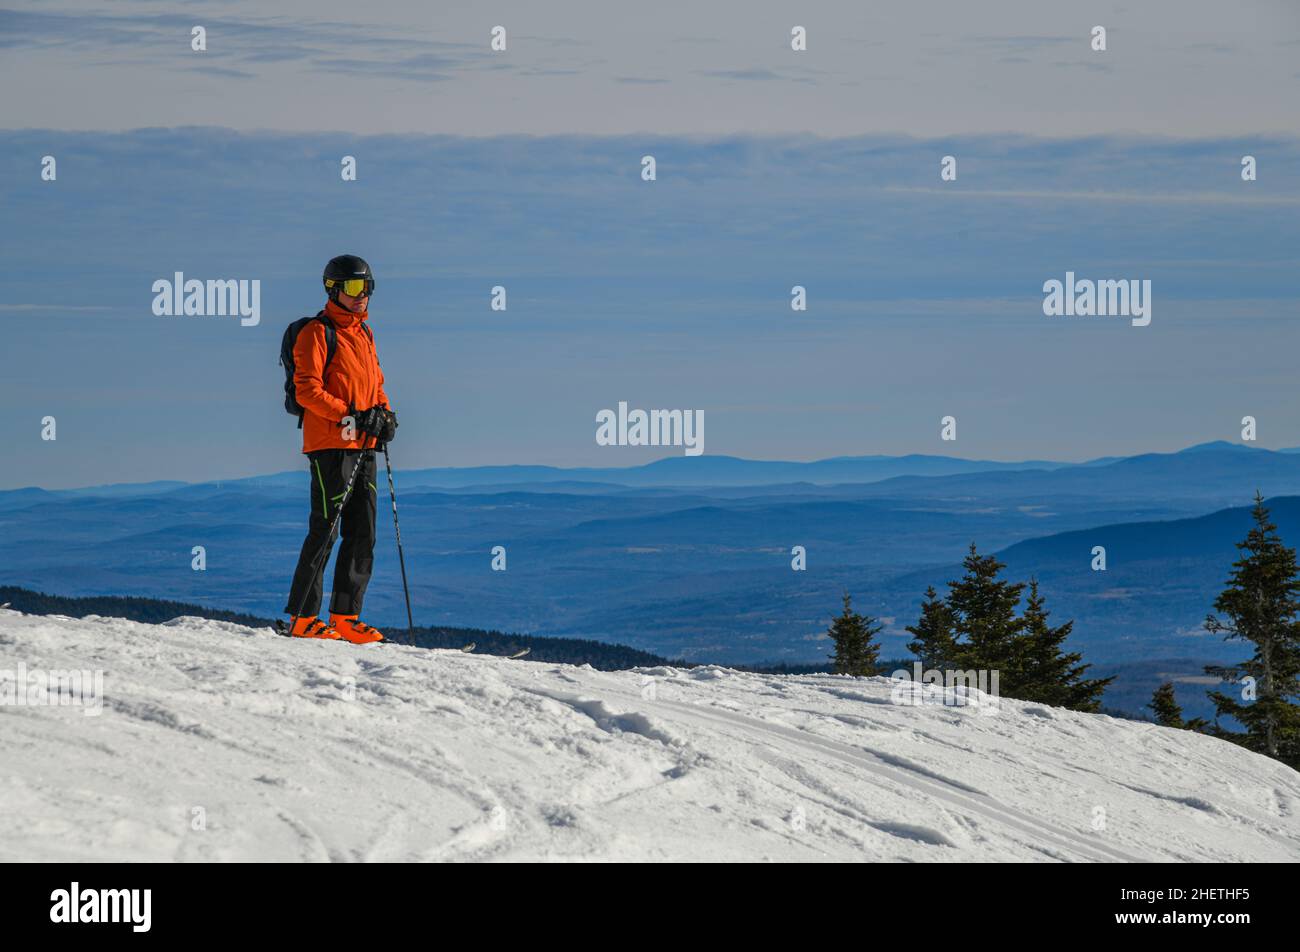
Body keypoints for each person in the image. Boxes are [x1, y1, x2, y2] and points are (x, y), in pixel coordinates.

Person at [284, 255, 397, 643]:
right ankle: (302, 618)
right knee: (326, 529)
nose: (361, 295)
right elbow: (307, 390)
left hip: (362, 445)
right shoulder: (317, 333)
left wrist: (383, 414)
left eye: (367, 287)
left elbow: (375, 384)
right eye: (352, 288)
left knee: (363, 531)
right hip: (330, 444)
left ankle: (345, 616)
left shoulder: (365, 334)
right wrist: (350, 414)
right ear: (332, 290)